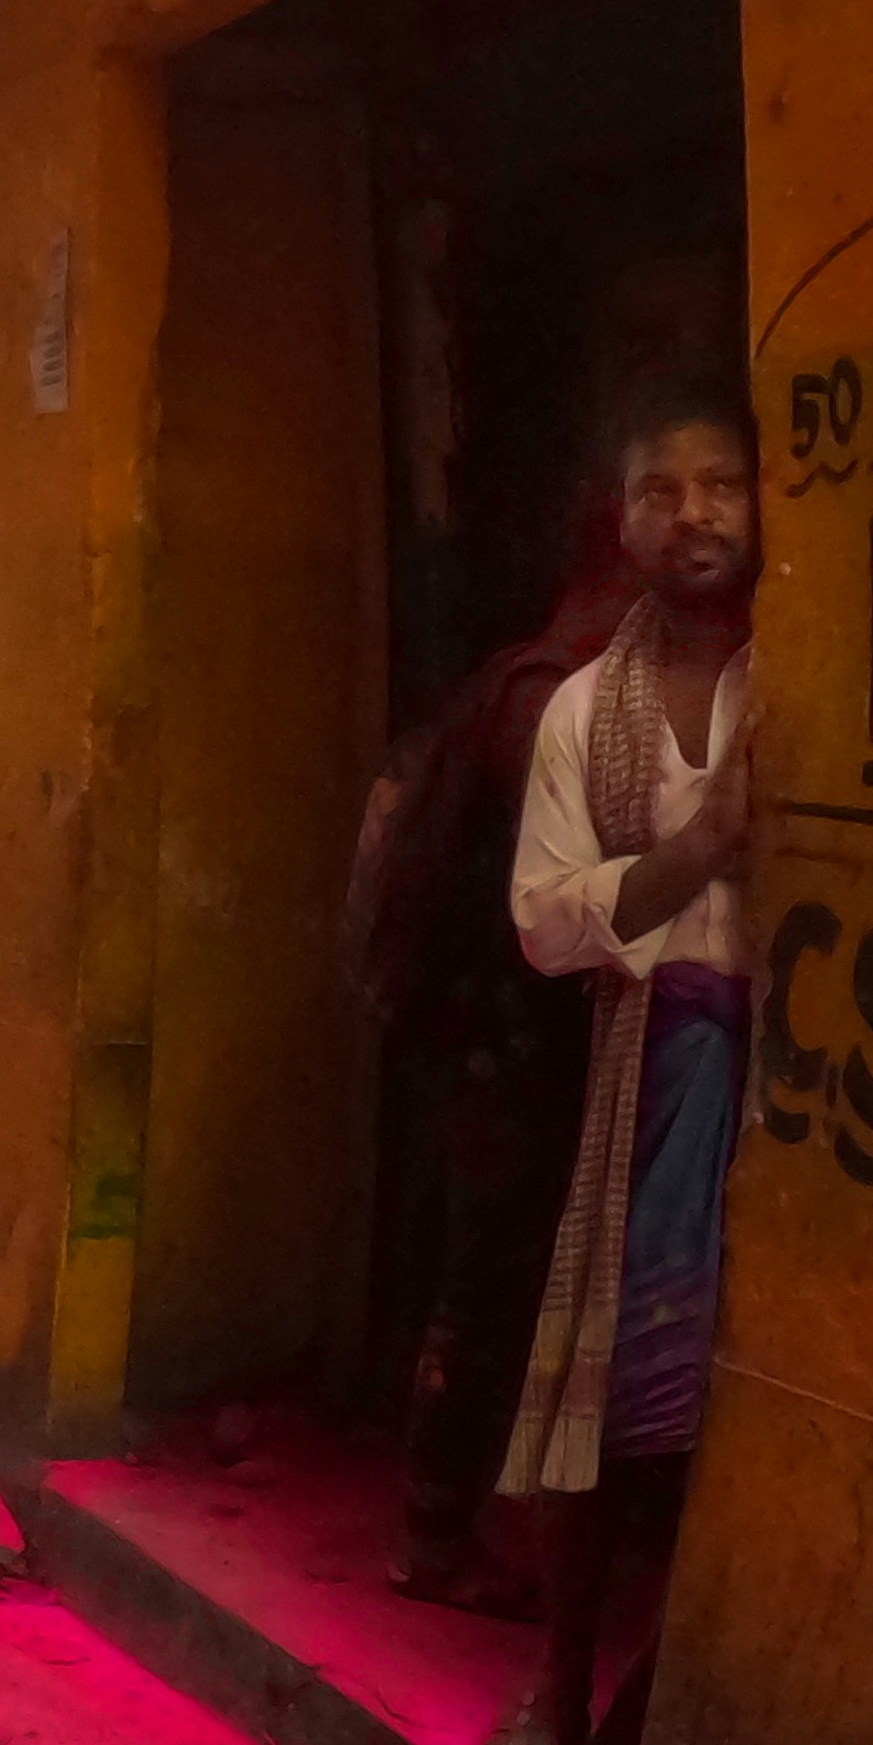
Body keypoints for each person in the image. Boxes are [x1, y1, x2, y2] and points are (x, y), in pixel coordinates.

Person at [487, 380, 765, 1745]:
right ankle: (562, 1686)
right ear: (627, 520)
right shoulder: (585, 709)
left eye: (721, 486)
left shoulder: (815, 676)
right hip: (641, 1076)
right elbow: (543, 922)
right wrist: (697, 852)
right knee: (599, 1403)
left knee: (746, 1416)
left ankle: (684, 1711)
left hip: (796, 1095)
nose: (695, 516)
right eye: (665, 493)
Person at [341, 582, 626, 1615]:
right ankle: (438, 1529)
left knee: (469, 1282)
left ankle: (441, 1516)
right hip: (507, 1038)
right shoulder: (551, 701)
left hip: (471, 1034)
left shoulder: (509, 687)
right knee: (485, 1291)